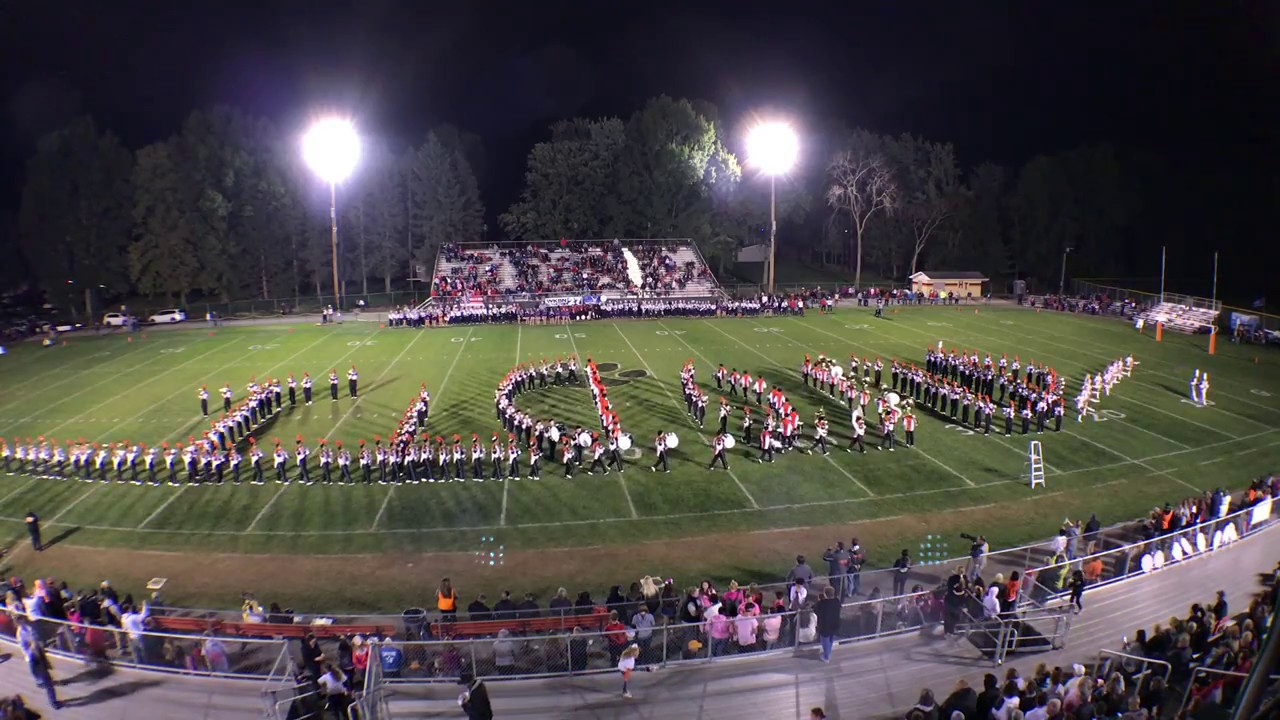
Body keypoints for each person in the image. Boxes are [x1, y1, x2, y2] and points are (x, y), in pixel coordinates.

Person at [17, 617, 62, 709]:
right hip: (33, 658)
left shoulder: (30, 627)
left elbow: (36, 639)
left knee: (45, 676)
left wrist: (36, 645)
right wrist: (32, 650)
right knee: (46, 680)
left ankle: (42, 682)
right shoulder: (20, 633)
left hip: (39, 654)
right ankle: (53, 701)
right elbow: (24, 647)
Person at [814, 585, 842, 663]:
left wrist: (819, 601)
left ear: (825, 594)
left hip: (825, 625)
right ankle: (828, 652)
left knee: (825, 639)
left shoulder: (822, 603)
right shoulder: (837, 601)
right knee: (831, 638)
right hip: (835, 623)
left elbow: (816, 610)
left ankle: (826, 656)